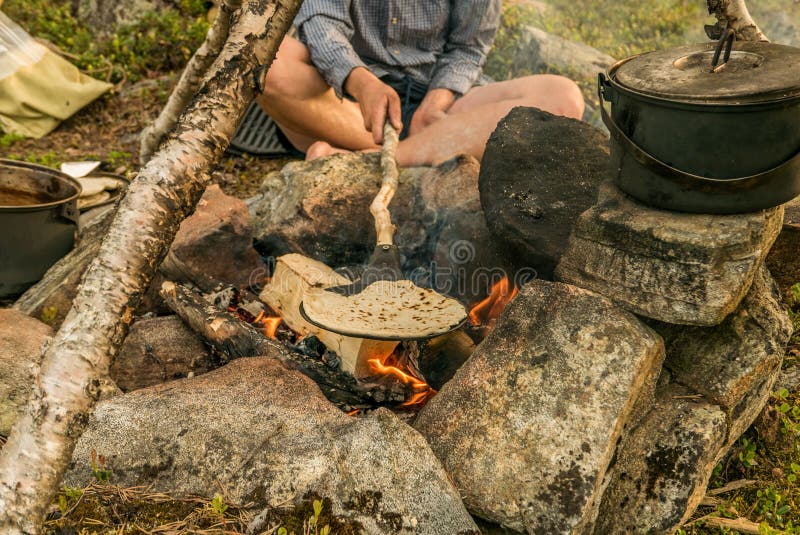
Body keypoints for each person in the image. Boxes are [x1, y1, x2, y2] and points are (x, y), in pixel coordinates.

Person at [257, 0, 585, 167]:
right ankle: (423, 155)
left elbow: (468, 47)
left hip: (438, 100)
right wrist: (362, 83)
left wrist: (436, 103)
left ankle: (375, 162)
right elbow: (320, 23)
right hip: (348, 106)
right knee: (261, 56)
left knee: (561, 98)